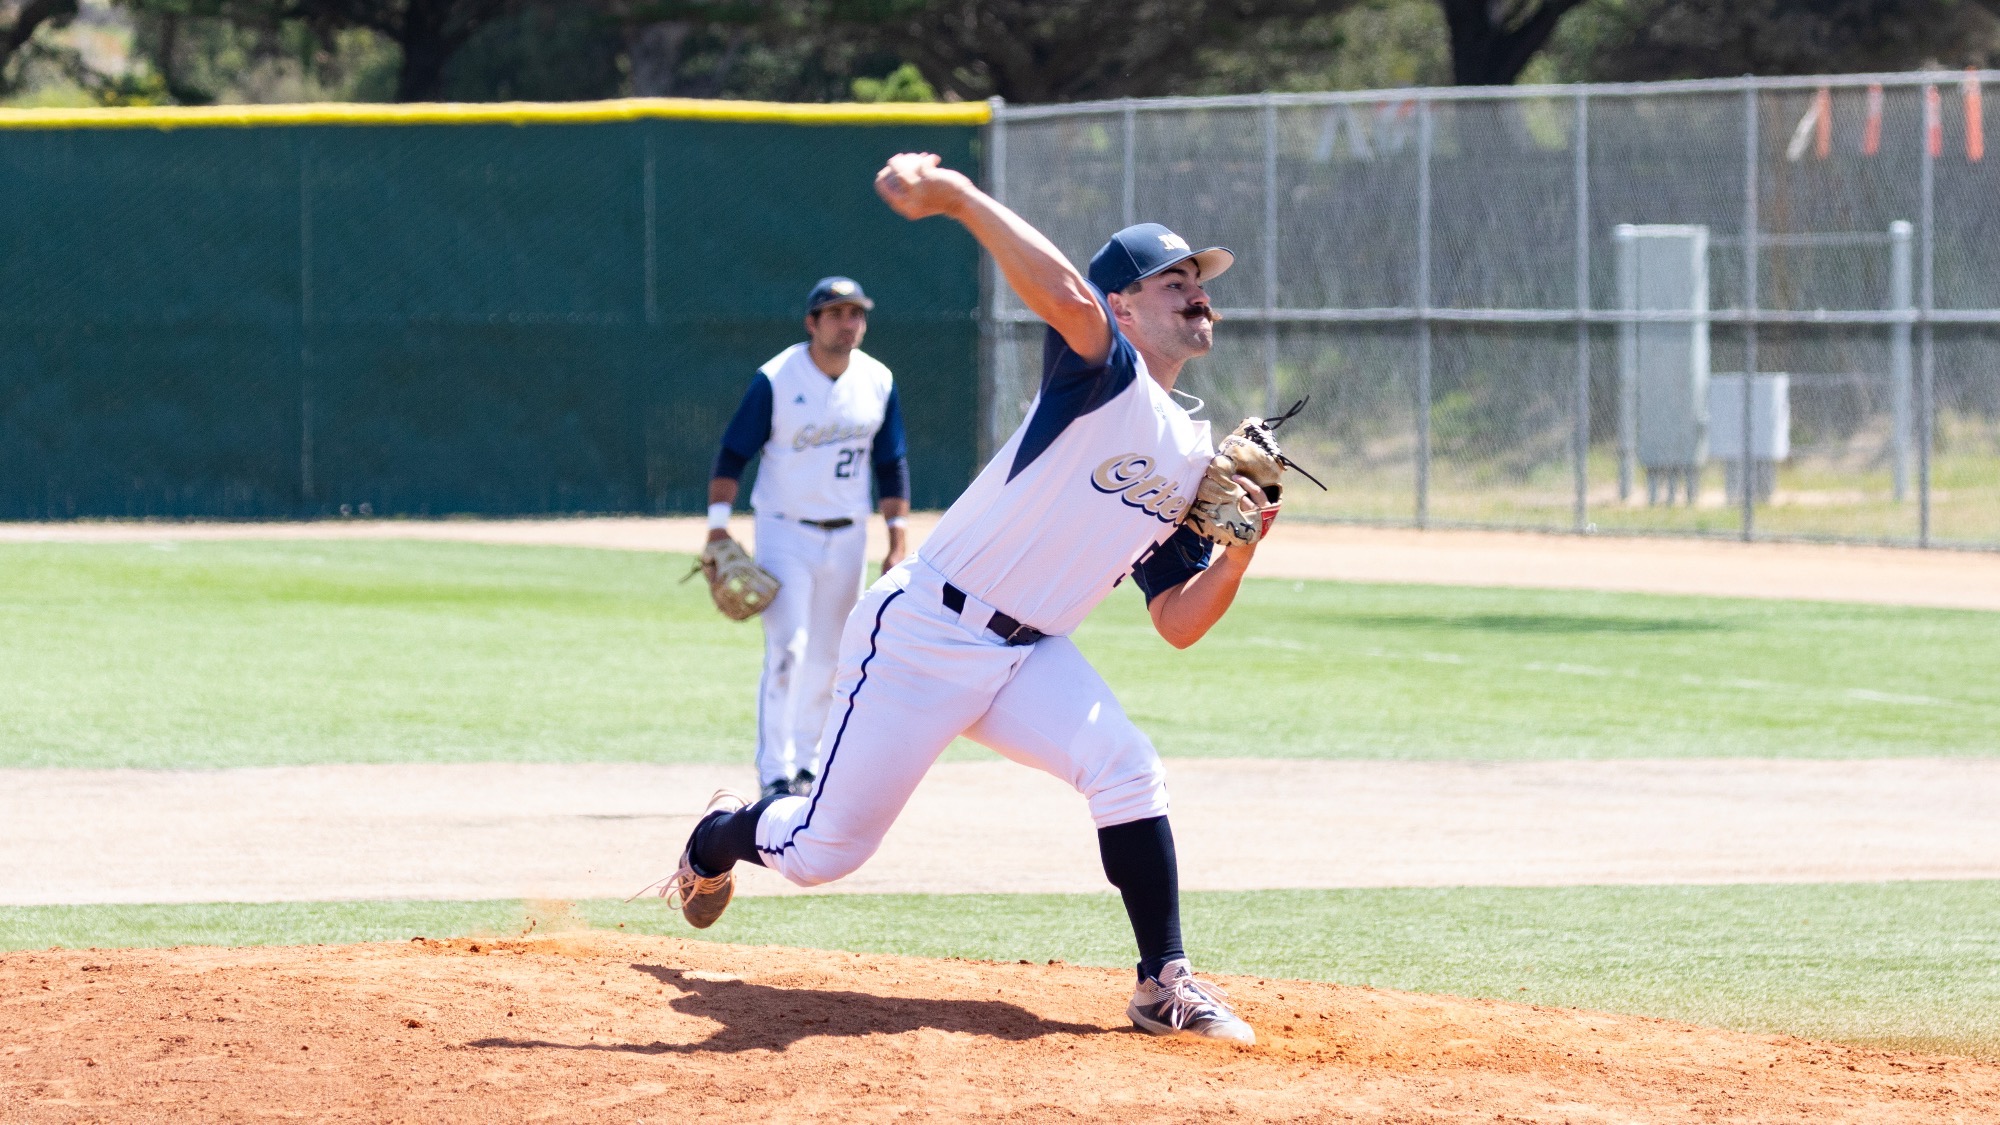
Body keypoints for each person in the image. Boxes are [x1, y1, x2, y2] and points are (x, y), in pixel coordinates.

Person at [668, 152, 1277, 1043]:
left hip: (1029, 654)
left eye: (1200, 281)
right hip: (924, 631)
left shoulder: (1192, 457)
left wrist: (1239, 554)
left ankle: (1163, 982)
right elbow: (1064, 294)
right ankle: (719, 835)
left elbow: (1177, 621)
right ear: (1121, 306)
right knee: (823, 852)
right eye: (1172, 280)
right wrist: (956, 198)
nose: (1198, 294)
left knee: (1128, 768)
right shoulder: (1100, 376)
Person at [706, 276, 911, 801]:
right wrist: (717, 526)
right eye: (836, 313)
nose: (849, 323)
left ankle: (806, 765)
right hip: (785, 531)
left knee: (831, 656)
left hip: (848, 535)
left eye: (856, 313)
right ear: (811, 323)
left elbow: (891, 464)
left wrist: (896, 537)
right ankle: (774, 770)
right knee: (788, 648)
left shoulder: (878, 380)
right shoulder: (776, 378)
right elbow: (733, 453)